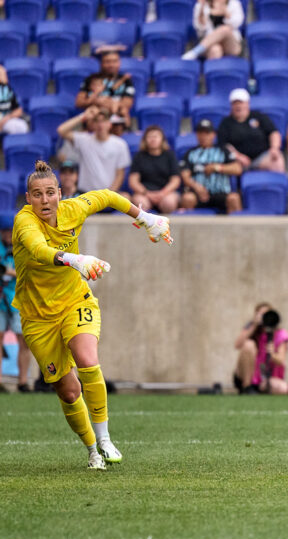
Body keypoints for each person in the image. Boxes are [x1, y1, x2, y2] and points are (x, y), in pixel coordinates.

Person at [13, 160, 172, 469]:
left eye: (49, 193)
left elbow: (109, 196)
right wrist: (76, 259)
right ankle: (91, 450)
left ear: (60, 193)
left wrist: (145, 219)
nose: (44, 200)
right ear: (28, 198)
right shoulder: (24, 222)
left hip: (75, 300)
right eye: (37, 195)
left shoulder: (73, 209)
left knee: (86, 358)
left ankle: (105, 438)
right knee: (69, 391)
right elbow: (39, 251)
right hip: (37, 317)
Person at [57, 107, 131, 194]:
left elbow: (120, 174)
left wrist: (109, 195)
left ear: (109, 124)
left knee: (126, 198)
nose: (100, 125)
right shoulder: (84, 140)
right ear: (93, 124)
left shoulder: (120, 144)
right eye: (97, 121)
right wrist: (83, 116)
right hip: (85, 194)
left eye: (103, 121)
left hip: (108, 194)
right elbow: (61, 130)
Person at [179, 119, 243, 214]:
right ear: (196, 135)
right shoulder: (190, 153)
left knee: (234, 198)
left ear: (213, 134)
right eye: (201, 133)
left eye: (207, 133)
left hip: (221, 193)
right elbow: (185, 175)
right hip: (197, 193)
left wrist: (217, 167)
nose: (204, 136)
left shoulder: (223, 150)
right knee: (187, 198)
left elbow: (238, 169)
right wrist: (197, 187)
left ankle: (238, 228)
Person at [217, 88, 285, 174]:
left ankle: (277, 186)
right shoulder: (225, 123)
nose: (238, 106)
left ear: (247, 103)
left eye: (241, 102)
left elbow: (273, 133)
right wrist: (238, 156)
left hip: (261, 157)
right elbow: (223, 145)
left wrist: (274, 148)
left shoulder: (258, 116)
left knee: (277, 160)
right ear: (231, 106)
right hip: (238, 161)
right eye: (235, 103)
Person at [0, 214, 31, 392]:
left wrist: (9, 272)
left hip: (18, 299)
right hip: (1, 301)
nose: (7, 234)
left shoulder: (23, 246)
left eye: (10, 231)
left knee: (23, 341)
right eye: (4, 230)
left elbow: (29, 271)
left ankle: (23, 381)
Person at [233, 304, 288, 395]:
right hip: (246, 376)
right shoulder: (251, 327)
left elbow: (280, 360)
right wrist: (254, 325)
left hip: (266, 377)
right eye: (260, 314)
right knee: (248, 344)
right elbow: (237, 345)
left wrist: (272, 354)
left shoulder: (280, 334)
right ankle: (247, 387)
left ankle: (259, 390)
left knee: (283, 389)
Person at [128, 126, 181, 214]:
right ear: (145, 140)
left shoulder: (169, 155)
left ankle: (166, 226)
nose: (153, 139)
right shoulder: (139, 156)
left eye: (156, 136)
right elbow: (133, 181)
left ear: (162, 139)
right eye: (150, 137)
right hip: (144, 193)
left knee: (169, 203)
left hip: (166, 192)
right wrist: (147, 193)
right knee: (141, 203)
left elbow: (175, 180)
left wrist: (163, 193)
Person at [75, 50, 134, 120]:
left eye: (114, 61)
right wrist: (96, 101)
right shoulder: (91, 79)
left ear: (119, 63)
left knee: (124, 111)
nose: (111, 65)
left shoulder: (126, 81)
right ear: (101, 63)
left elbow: (127, 104)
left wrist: (107, 102)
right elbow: (79, 103)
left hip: (116, 116)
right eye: (107, 62)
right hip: (95, 117)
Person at [0, 65, 30, 135]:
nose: (3, 78)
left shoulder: (6, 91)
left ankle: (17, 145)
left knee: (20, 126)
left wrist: (7, 118)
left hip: (5, 120)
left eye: (3, 75)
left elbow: (18, 110)